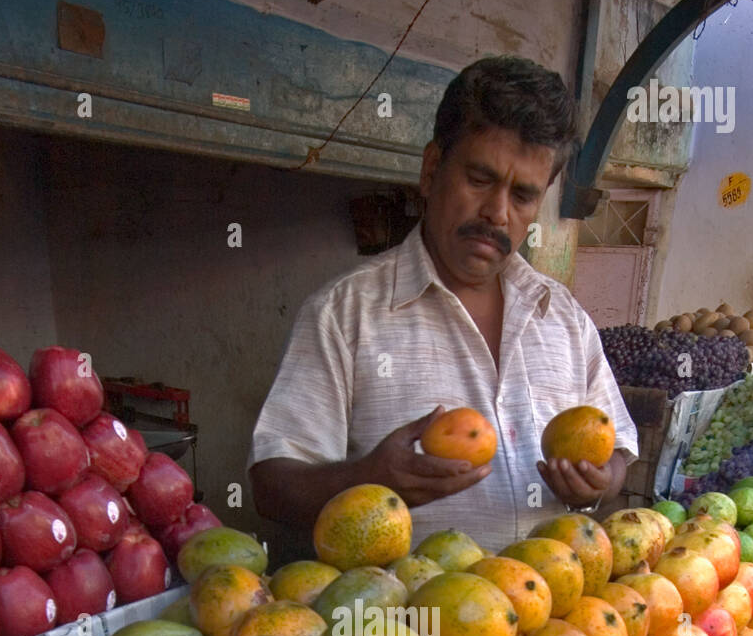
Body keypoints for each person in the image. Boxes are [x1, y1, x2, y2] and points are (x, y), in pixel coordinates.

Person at [249, 55, 637, 557]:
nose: (497, 213)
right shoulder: (345, 315)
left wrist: (600, 483)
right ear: (433, 170)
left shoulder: (561, 317)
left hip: (550, 624)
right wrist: (365, 478)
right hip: (395, 629)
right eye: (480, 179)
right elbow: (271, 486)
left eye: (522, 195)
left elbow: (620, 454)